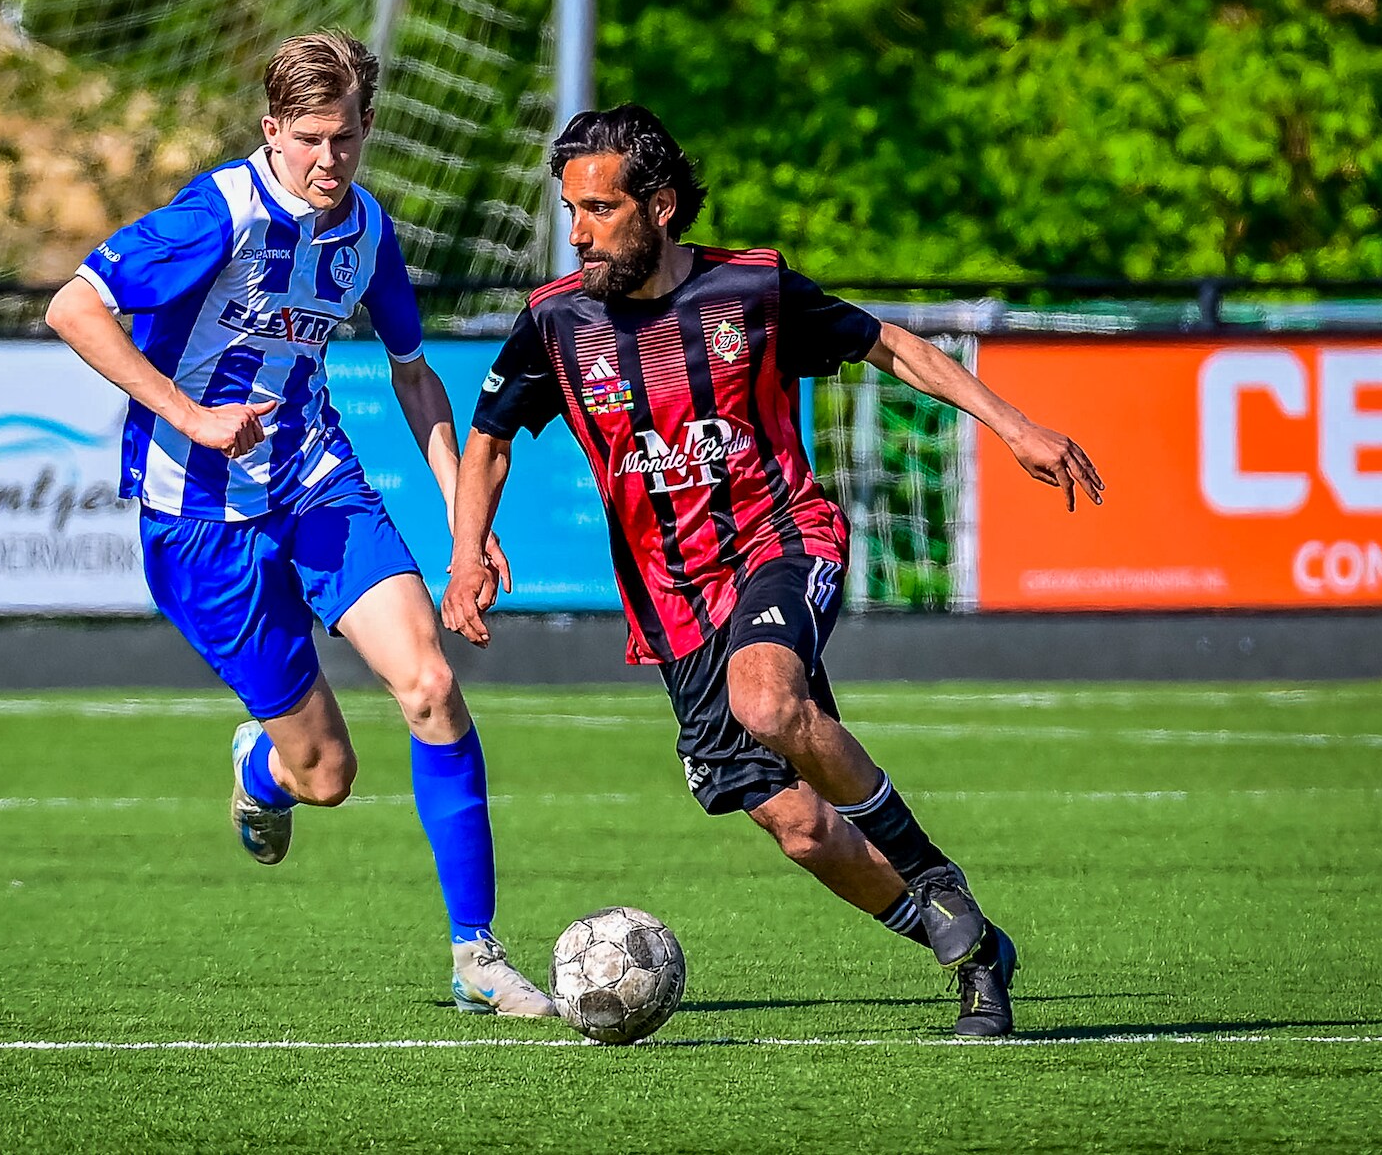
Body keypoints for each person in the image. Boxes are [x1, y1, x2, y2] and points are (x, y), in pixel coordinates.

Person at [442, 103, 1106, 1038]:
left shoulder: (751, 292)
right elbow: (491, 435)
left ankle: (933, 875)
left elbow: (897, 347)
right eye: (571, 212)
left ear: (661, 205)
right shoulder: (556, 321)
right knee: (797, 825)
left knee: (766, 699)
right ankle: (972, 949)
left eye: (599, 209)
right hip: (672, 608)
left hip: (780, 540)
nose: (580, 231)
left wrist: (1016, 427)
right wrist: (467, 552)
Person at [46, 29, 554, 1017]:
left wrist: (464, 514)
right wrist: (194, 418)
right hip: (199, 519)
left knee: (431, 684)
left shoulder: (365, 227)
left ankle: (475, 955)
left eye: (349, 138)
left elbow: (412, 371)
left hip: (318, 483)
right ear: (272, 130)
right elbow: (73, 307)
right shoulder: (217, 214)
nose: (330, 161)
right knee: (326, 776)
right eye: (310, 139)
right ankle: (264, 768)